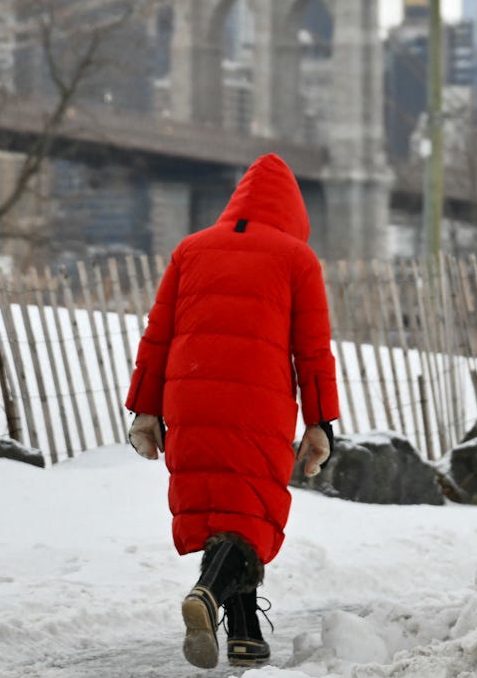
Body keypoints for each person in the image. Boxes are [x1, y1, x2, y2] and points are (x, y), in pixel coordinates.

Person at [125, 153, 341, 669]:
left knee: (223, 507)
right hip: (256, 403)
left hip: (189, 394)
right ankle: (206, 593)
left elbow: (158, 335)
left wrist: (145, 409)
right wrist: (320, 422)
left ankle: (245, 634)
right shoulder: (297, 258)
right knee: (250, 513)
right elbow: (313, 350)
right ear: (294, 213)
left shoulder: (190, 249)